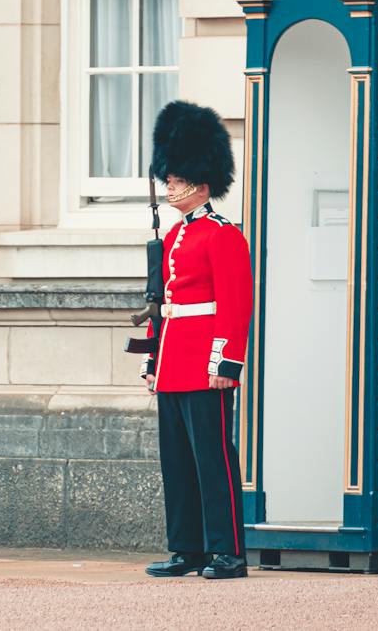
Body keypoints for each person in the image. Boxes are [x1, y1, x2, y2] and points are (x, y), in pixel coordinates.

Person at [140, 100, 252, 581]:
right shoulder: (173, 236)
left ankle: (226, 550)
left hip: (205, 363)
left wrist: (226, 362)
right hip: (173, 362)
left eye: (176, 177)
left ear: (200, 183)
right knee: (178, 462)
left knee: (212, 458)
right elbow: (161, 302)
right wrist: (152, 359)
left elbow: (235, 303)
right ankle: (187, 548)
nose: (169, 184)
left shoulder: (223, 235)